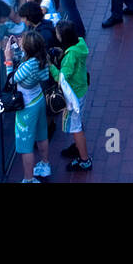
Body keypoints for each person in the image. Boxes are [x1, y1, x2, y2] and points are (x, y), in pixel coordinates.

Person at [3, 29, 52, 182]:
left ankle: (28, 179)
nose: (19, 41)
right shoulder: (42, 58)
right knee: (42, 134)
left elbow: (11, 80)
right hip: (38, 99)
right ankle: (45, 165)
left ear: (28, 48)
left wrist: (8, 60)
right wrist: (21, 47)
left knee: (25, 146)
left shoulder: (28, 65)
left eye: (22, 41)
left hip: (27, 108)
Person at [48, 20, 92, 172]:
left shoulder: (70, 56)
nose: (56, 35)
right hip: (81, 89)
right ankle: (77, 147)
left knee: (75, 127)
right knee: (77, 123)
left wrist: (51, 66)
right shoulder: (80, 44)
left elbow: (62, 78)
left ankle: (84, 160)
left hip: (73, 96)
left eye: (58, 34)